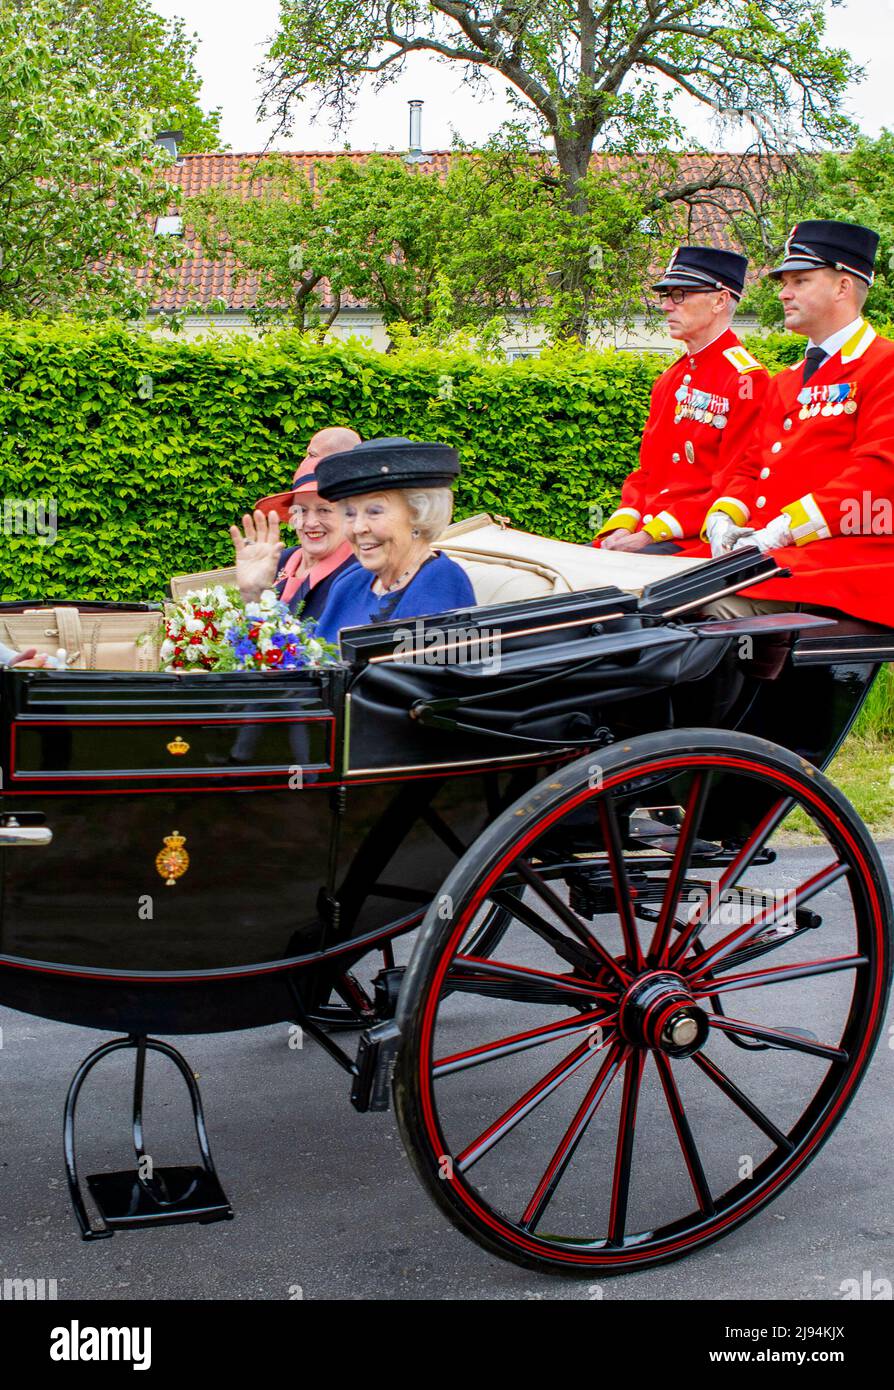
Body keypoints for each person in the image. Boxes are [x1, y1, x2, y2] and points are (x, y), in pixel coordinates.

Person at [703, 220, 894, 628]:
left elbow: (877, 476)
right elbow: (752, 466)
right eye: (785, 282)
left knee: (708, 616)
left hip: (848, 565)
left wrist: (784, 530)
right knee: (649, 602)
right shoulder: (786, 379)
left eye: (800, 281)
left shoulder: (885, 365)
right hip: (777, 559)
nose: (783, 293)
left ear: (843, 287)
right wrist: (724, 518)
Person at [593, 246, 769, 555]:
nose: (666, 307)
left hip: (691, 538)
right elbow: (646, 473)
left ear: (720, 300)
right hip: (646, 532)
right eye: (666, 296)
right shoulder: (670, 379)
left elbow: (736, 480)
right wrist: (622, 527)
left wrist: (650, 535)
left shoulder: (747, 380)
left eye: (680, 295)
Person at [311, 437, 475, 644]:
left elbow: (423, 672)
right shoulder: (351, 581)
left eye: (374, 511)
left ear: (418, 514)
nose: (358, 527)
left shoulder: (442, 582)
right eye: (350, 513)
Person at [230, 426, 361, 621]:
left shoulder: (359, 574)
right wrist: (252, 595)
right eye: (301, 510)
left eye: (324, 510)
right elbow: (253, 643)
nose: (310, 522)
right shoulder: (279, 560)